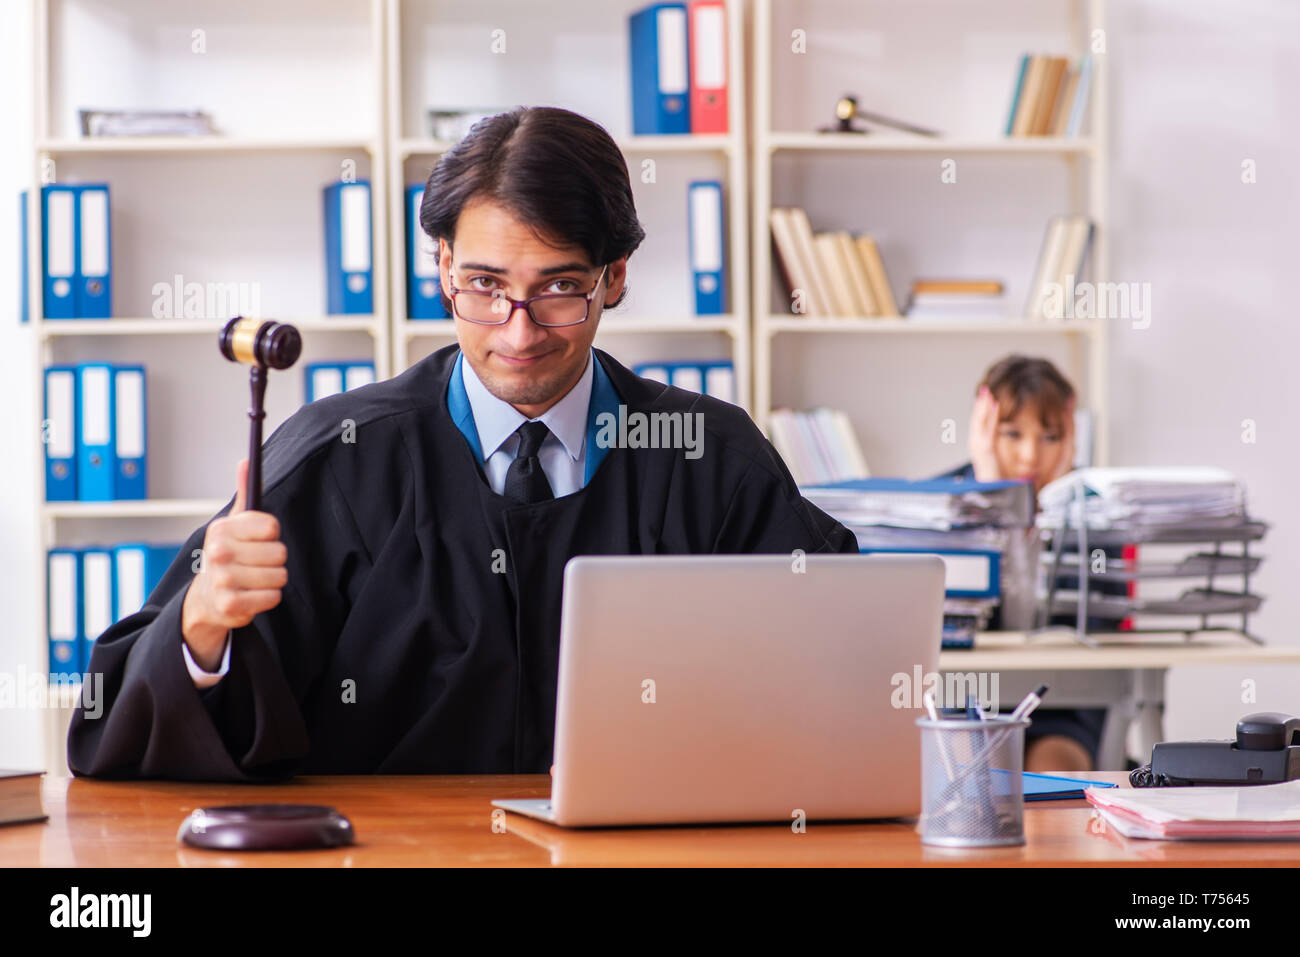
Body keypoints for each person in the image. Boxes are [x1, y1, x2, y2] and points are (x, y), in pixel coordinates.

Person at [68, 106, 858, 780]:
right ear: (442, 267)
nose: (518, 331)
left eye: (557, 287)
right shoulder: (337, 459)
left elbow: (842, 668)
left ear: (614, 277)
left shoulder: (709, 459)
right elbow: (109, 727)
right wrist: (202, 628)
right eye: (485, 285)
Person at [939, 355, 1109, 774]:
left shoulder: (1099, 509)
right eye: (1011, 434)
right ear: (982, 429)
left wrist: (1055, 506)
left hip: (1065, 699)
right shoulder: (943, 506)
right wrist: (995, 498)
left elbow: (1106, 621)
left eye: (1050, 436)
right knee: (979, 774)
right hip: (971, 695)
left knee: (1056, 771)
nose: (1030, 454)